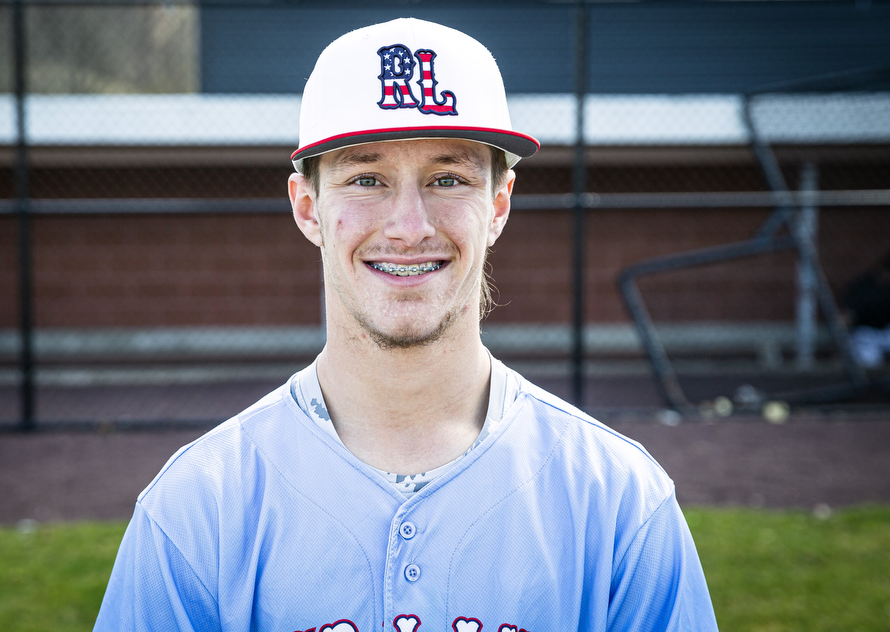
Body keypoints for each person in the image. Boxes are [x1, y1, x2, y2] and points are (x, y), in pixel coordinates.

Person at [94, 18, 717, 631]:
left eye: (449, 179)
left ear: (497, 206)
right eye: (367, 179)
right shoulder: (199, 509)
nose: (410, 226)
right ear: (308, 207)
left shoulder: (617, 500)